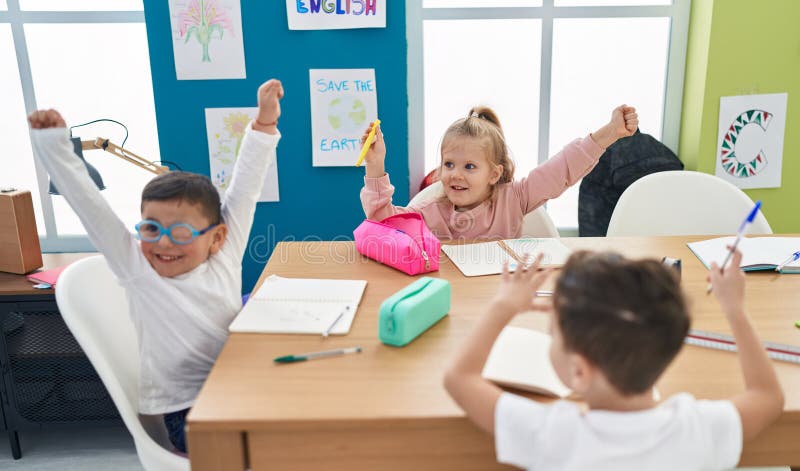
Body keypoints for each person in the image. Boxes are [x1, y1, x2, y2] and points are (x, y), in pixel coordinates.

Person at [27, 79, 284, 454]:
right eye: (151, 228)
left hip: (236, 383)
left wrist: (264, 121)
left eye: (180, 231)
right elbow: (87, 204)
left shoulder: (224, 255)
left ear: (216, 237)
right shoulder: (137, 268)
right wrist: (52, 143)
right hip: (186, 411)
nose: (162, 242)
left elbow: (246, 187)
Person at [443, 249, 784, 470]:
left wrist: (504, 305)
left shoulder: (555, 435)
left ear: (579, 371)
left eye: (553, 331)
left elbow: (459, 379)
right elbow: (768, 397)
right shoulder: (699, 428)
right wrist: (735, 310)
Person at [359, 105, 638, 240]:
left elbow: (562, 168)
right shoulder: (429, 210)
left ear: (494, 174)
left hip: (499, 298)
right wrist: (375, 166)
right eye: (449, 164)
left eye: (469, 167)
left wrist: (609, 133)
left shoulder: (514, 198)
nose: (456, 174)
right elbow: (383, 224)